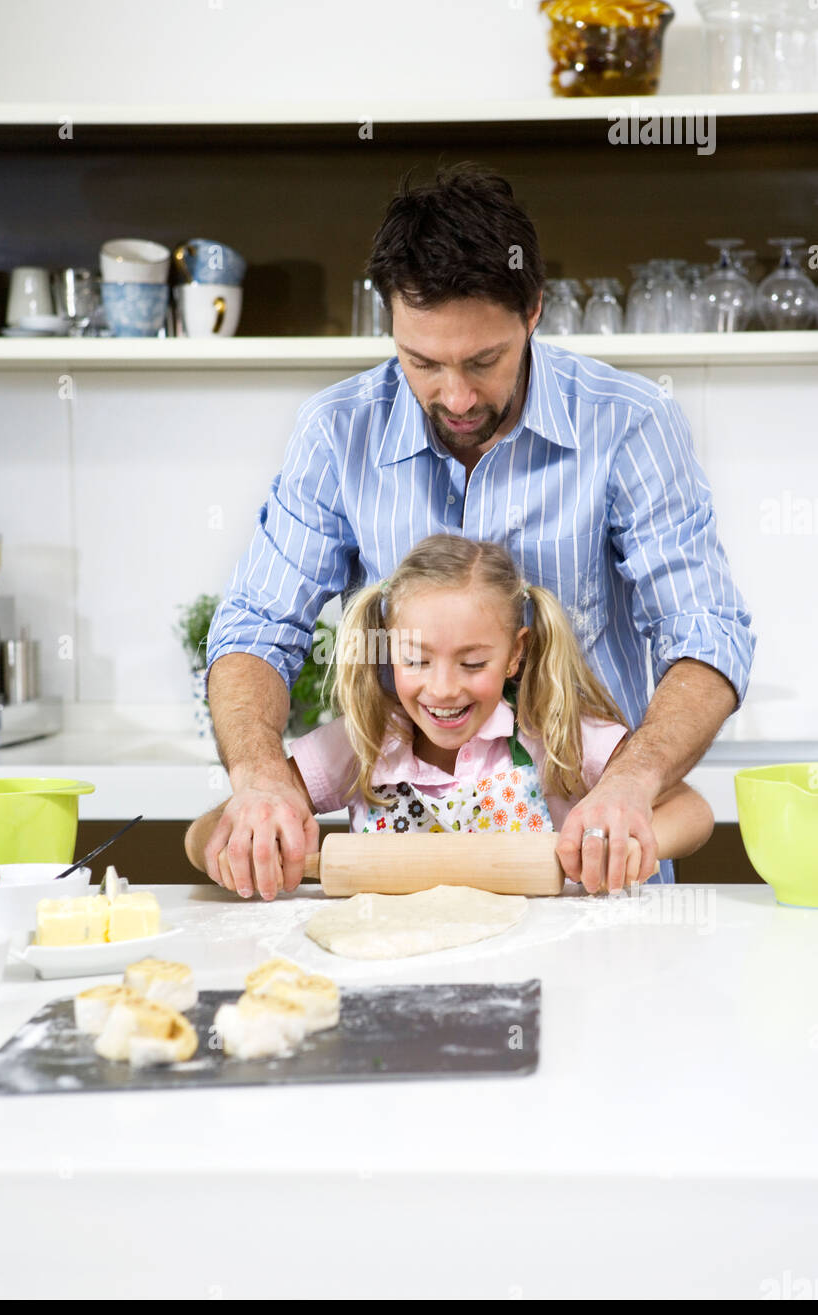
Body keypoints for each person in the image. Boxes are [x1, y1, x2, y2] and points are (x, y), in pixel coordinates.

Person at [190, 163, 754, 899]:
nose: (455, 396)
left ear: (534, 312)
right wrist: (261, 783)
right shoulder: (336, 430)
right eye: (421, 361)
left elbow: (706, 633)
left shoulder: (629, 422)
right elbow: (255, 629)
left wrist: (628, 788)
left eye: (484, 361)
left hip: (598, 887)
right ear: (389, 320)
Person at [186, 536, 714, 888]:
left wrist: (623, 845)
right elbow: (207, 832)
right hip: (392, 970)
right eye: (416, 659)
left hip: (541, 963)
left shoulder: (552, 734)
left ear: (515, 653)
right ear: (388, 648)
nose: (443, 689)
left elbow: (693, 812)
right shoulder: (362, 744)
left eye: (472, 662)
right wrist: (244, 837)